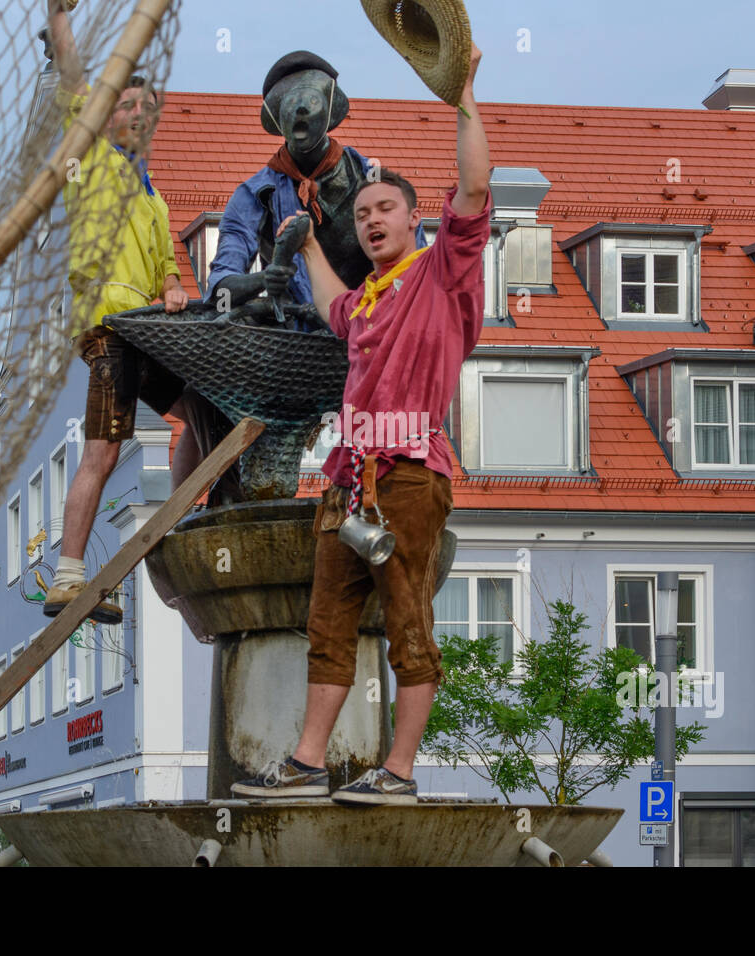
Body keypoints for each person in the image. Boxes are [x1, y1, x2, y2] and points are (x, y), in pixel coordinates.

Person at [231, 43, 490, 805]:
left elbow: (474, 188)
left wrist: (465, 98)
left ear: (415, 219)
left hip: (410, 473)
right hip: (350, 482)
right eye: (364, 214)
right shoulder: (368, 301)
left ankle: (399, 773)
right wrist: (309, 240)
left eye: (386, 211)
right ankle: (308, 763)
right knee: (327, 621)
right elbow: (328, 304)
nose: (372, 221)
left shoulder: (444, 275)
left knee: (408, 623)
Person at [41, 0, 226, 623]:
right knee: (103, 450)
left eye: (146, 110)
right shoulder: (90, 161)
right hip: (108, 326)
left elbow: (166, 266)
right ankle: (67, 576)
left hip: (147, 331)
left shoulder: (153, 195)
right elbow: (72, 82)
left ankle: (174, 519)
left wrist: (175, 281)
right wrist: (59, 17)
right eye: (127, 105)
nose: (137, 115)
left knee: (201, 411)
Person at [207, 51, 424, 325]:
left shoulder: (371, 180)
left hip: (366, 333)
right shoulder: (254, 195)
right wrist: (265, 278)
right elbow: (220, 292)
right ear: (278, 119)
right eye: (290, 105)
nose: (300, 110)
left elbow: (415, 273)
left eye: (310, 101)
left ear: (330, 112)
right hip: (292, 347)